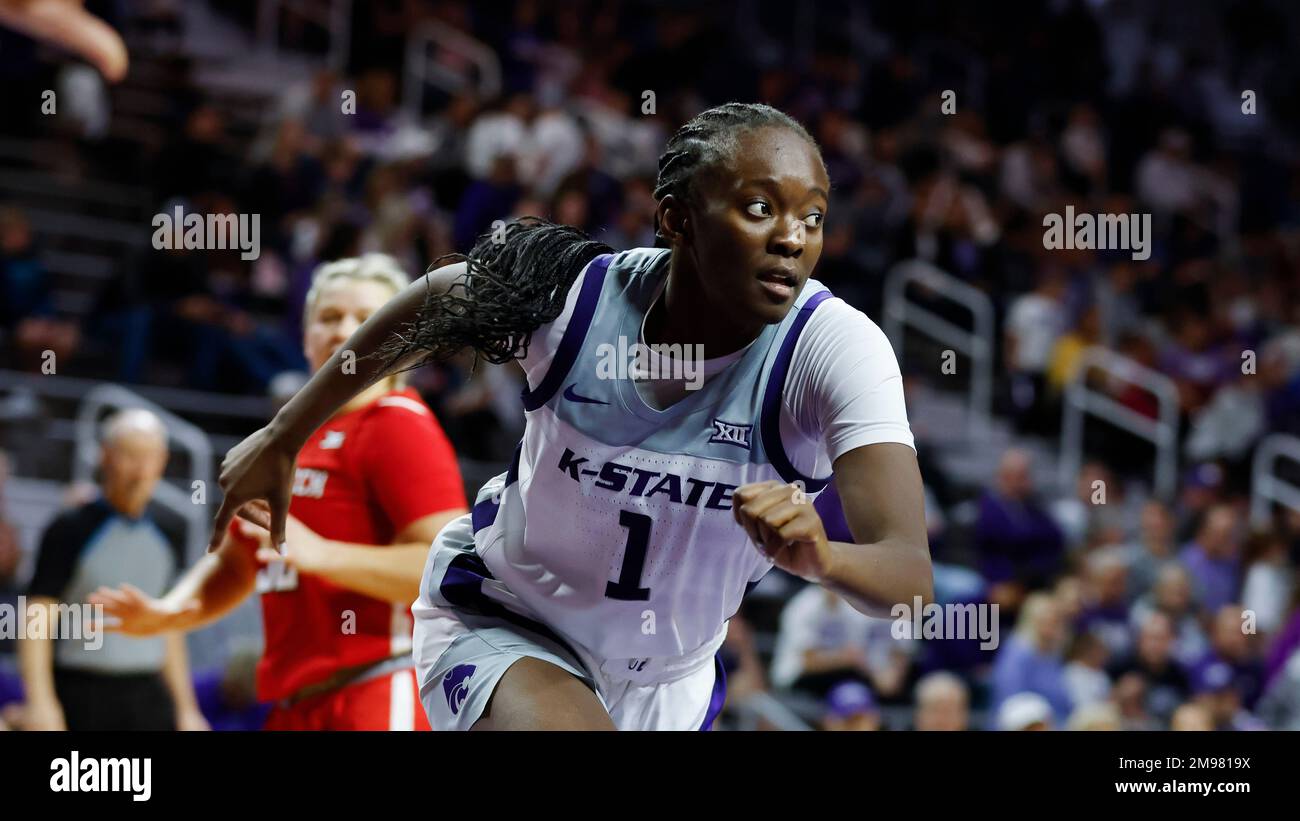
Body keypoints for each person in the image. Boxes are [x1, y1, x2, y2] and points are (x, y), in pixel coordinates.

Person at [209, 102, 933, 730]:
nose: (791, 237)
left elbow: (910, 577)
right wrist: (283, 434)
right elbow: (436, 296)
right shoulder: (577, 303)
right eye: (758, 207)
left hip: (670, 676)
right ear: (676, 218)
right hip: (510, 618)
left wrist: (826, 557)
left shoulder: (835, 348)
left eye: (812, 216)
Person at [92, 255, 468, 730]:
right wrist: (169, 611)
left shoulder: (396, 423)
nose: (344, 330)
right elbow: (236, 562)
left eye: (367, 318)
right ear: (305, 336)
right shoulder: (289, 439)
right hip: (295, 703)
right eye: (329, 318)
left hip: (377, 687)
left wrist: (324, 555)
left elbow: (442, 564)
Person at [18, 409, 207, 731]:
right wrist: (40, 701)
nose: (141, 470)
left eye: (150, 457)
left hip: (147, 693)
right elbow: (38, 613)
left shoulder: (166, 534)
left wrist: (187, 709)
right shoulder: (70, 528)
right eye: (130, 456)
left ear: (162, 460)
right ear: (106, 456)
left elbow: (169, 625)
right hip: (82, 692)